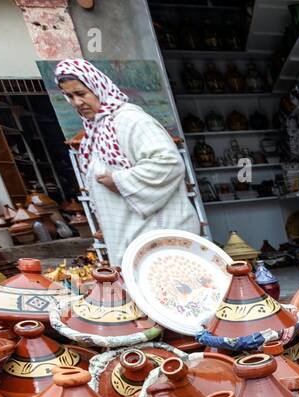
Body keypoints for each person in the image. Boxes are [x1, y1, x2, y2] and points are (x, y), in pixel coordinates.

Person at [55, 58, 200, 266]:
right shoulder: (97, 128)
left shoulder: (130, 121)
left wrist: (119, 180)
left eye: (81, 94)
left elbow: (168, 163)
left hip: (161, 236)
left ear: (98, 88)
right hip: (133, 238)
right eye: (69, 96)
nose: (77, 102)